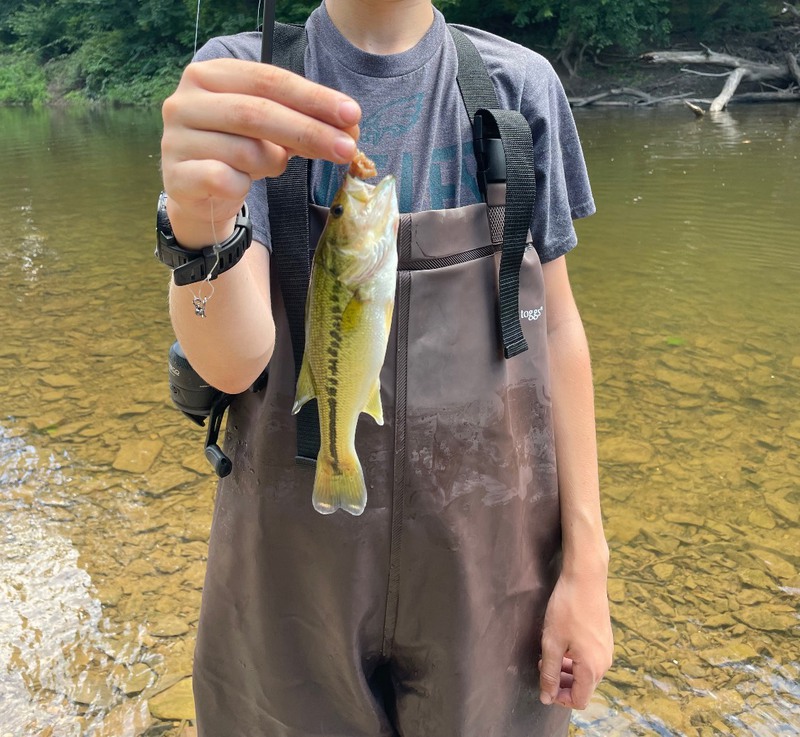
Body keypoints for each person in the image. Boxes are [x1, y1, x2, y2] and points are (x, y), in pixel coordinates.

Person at [158, 0, 613, 734]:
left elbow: (557, 330)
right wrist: (197, 222)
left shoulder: (520, 90)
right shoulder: (244, 88)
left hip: (489, 565)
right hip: (289, 572)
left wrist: (587, 564)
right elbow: (235, 363)